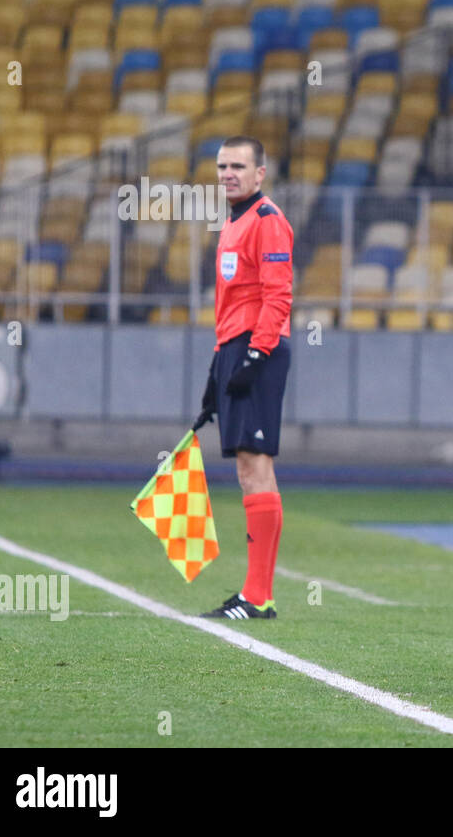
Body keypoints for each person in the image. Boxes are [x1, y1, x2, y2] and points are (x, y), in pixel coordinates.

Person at [191, 136, 294, 620]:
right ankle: (256, 594)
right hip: (235, 347)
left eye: (238, 165)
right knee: (248, 468)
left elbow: (278, 295)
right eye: (222, 165)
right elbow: (231, 304)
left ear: (260, 173)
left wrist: (255, 354)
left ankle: (258, 596)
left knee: (255, 465)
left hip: (259, 347)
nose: (228, 173)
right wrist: (219, 367)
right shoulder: (232, 224)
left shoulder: (268, 221)